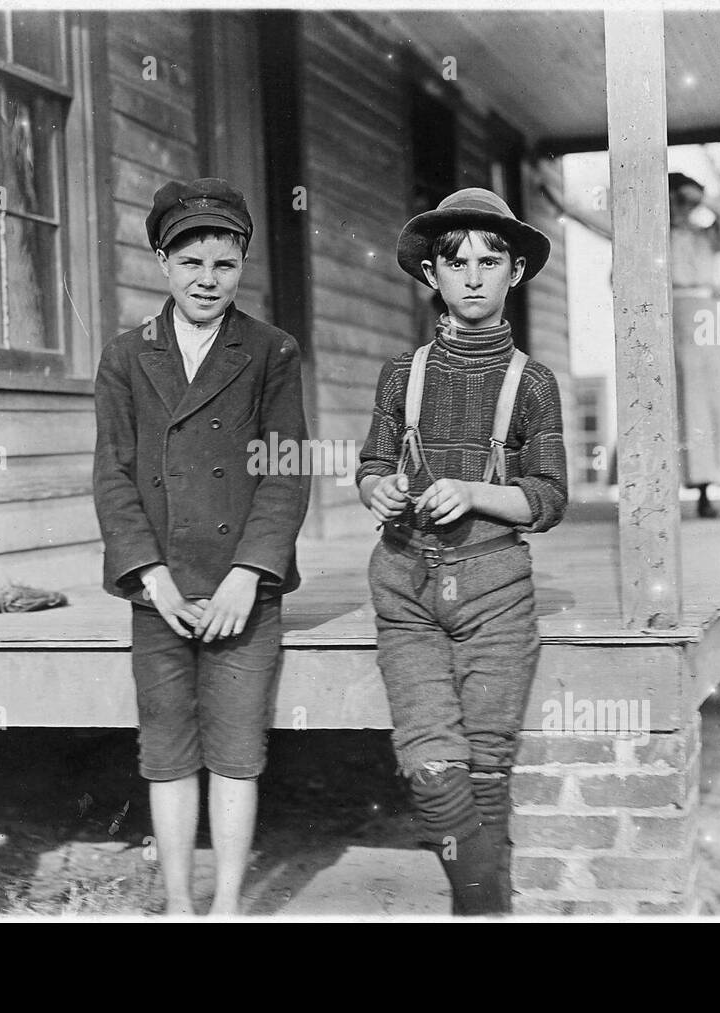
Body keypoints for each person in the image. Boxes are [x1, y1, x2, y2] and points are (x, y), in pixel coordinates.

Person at [93, 178, 310, 916]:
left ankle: (224, 911)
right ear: (162, 262)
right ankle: (181, 906)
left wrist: (251, 574)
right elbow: (113, 475)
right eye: (191, 262)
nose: (207, 279)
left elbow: (284, 473)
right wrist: (149, 576)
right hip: (162, 592)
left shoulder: (272, 351)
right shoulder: (126, 357)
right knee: (168, 753)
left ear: (243, 262)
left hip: (242, 590)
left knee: (237, 754)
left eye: (224, 263)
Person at [356, 188, 568, 914]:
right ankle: (487, 907)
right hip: (405, 586)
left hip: (495, 590)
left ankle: (477, 910)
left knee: (483, 767)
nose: (473, 277)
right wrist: (378, 491)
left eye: (490, 261)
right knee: (433, 764)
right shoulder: (401, 374)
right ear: (430, 275)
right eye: (456, 262)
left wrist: (476, 493)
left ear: (515, 273)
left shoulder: (532, 382)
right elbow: (371, 465)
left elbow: (548, 498)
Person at [544, 171, 720, 517]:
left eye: (685, 202)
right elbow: (593, 220)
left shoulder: (706, 237)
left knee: (715, 400)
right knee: (668, 399)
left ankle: (713, 485)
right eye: (674, 200)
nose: (681, 209)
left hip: (703, 323)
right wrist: (561, 200)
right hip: (661, 319)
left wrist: (701, 199)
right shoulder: (647, 235)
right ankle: (666, 488)